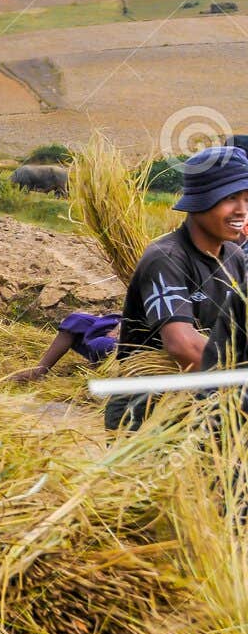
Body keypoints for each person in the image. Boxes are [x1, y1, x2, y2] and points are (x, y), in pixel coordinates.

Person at [105, 146, 248, 431]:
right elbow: (182, 345)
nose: (241, 210)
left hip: (206, 406)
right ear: (200, 200)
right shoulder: (166, 257)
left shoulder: (234, 256)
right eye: (230, 197)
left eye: (247, 198)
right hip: (149, 412)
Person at [9, 312, 119, 382]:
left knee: (99, 344)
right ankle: (38, 372)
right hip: (123, 324)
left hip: (131, 340)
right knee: (76, 320)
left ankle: (103, 365)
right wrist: (119, 327)